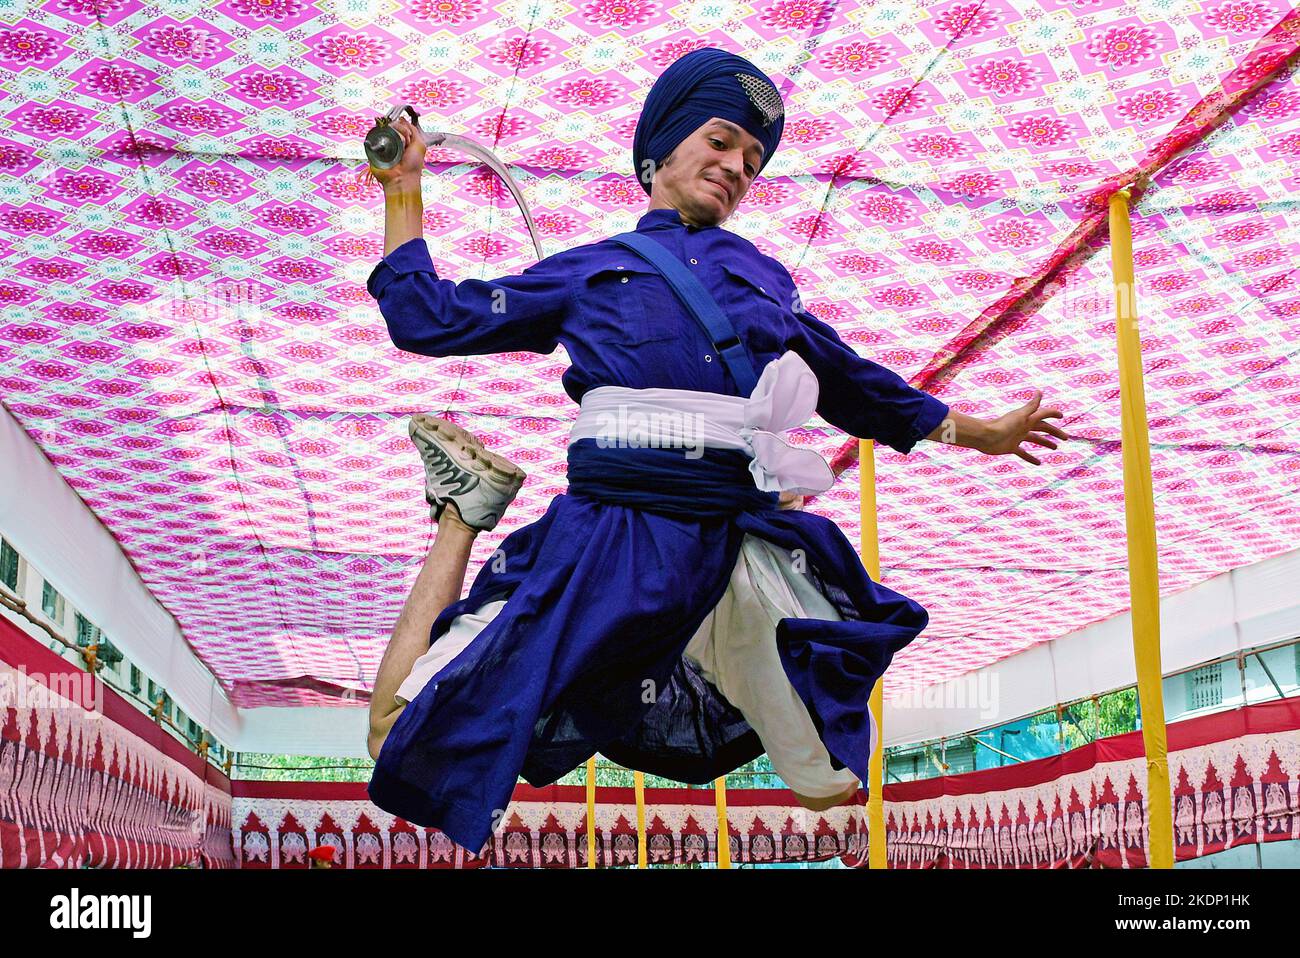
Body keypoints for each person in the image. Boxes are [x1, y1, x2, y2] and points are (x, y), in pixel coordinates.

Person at [362, 48, 1068, 851]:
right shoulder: (591, 269)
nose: (736, 167)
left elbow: (852, 381)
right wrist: (404, 188)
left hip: (733, 540)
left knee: (830, 781)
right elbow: (427, 320)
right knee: (394, 734)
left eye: (754, 161)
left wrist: (982, 434)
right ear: (659, 149)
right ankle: (464, 512)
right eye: (722, 141)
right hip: (608, 540)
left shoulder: (763, 278)